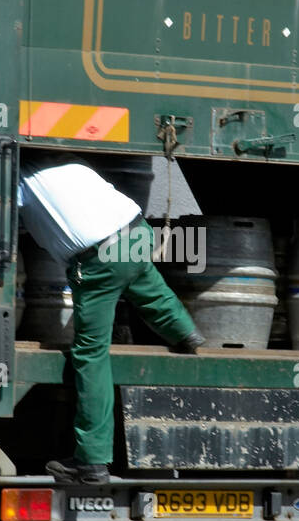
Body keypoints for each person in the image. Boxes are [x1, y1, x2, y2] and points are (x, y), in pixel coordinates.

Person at [18, 155, 203, 484]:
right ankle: (184, 332)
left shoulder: (20, 179)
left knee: (90, 355)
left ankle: (91, 461)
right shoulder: (68, 164)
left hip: (99, 259)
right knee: (144, 282)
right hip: (136, 230)